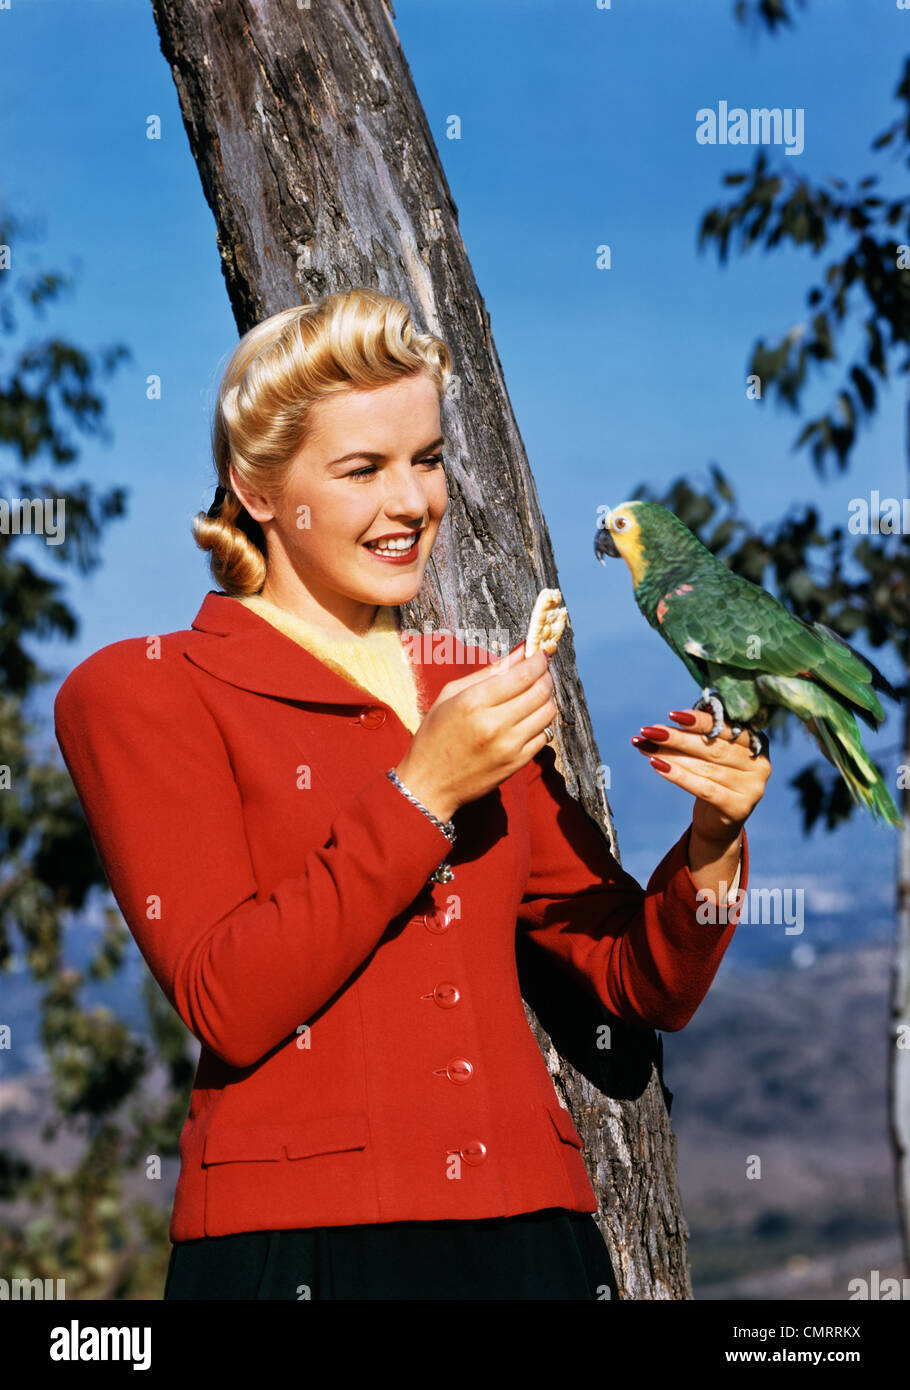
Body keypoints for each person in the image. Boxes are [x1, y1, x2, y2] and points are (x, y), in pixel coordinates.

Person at [53, 287, 769, 1300]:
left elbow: (629, 978)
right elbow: (227, 997)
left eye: (426, 459)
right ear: (256, 487)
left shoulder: (466, 681)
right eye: (362, 470)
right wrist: (423, 787)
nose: (411, 504)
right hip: (299, 1250)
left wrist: (711, 842)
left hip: (532, 1238)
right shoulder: (143, 689)